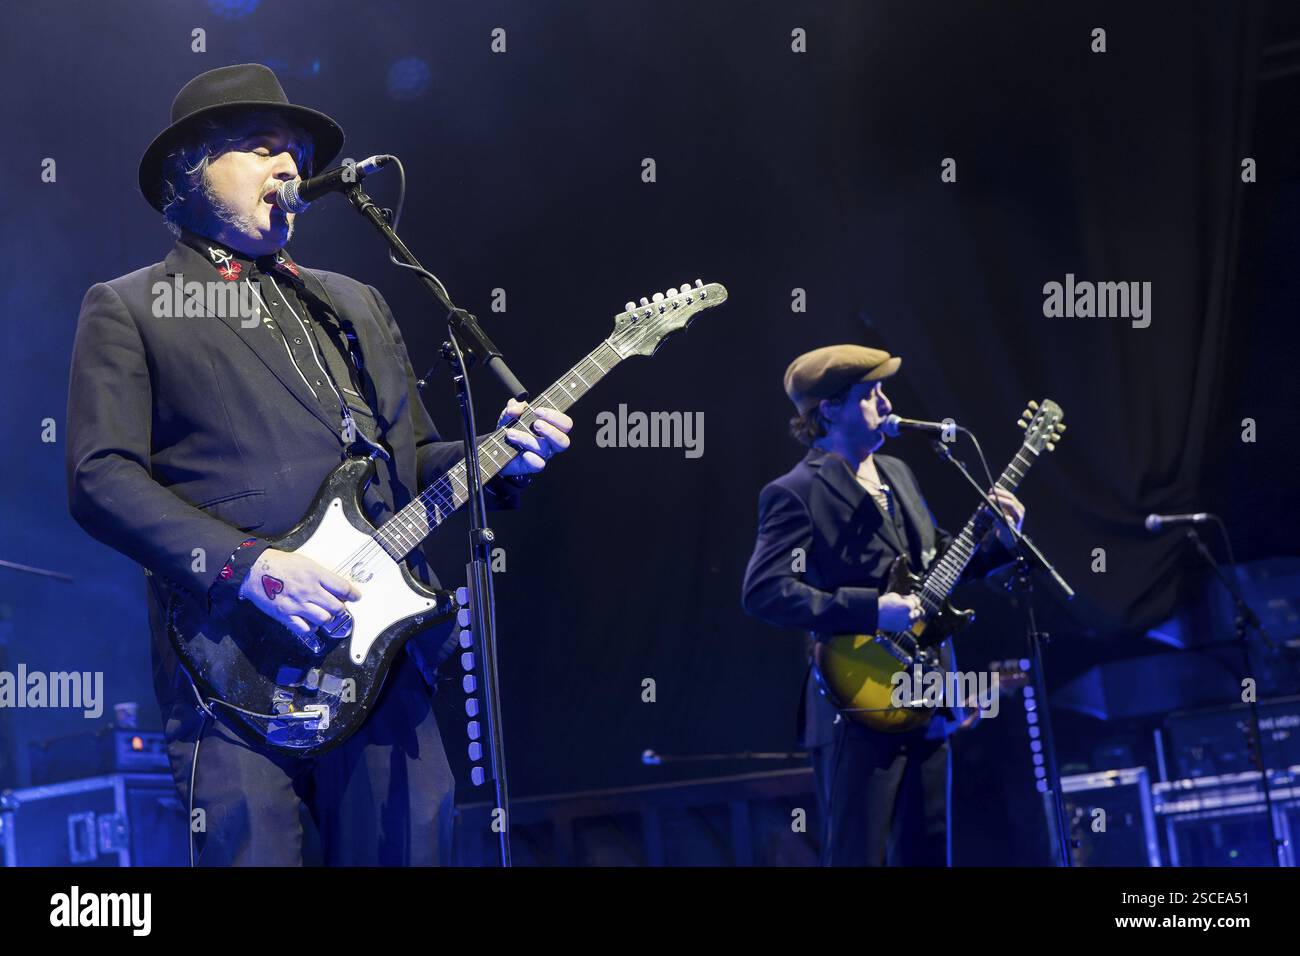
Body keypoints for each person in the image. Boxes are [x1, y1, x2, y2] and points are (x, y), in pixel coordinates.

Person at [65, 63, 573, 865]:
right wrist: (253, 567)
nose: (289, 167)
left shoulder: (355, 303)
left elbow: (412, 461)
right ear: (192, 174)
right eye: (261, 147)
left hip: (381, 662)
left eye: (296, 152)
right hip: (232, 675)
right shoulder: (131, 305)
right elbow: (100, 478)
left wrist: (498, 456)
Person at [741, 344, 1023, 865]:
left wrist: (1004, 538)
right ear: (828, 409)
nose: (888, 403)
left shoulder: (898, 473)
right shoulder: (795, 492)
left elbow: (941, 565)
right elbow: (764, 592)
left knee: (929, 849)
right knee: (858, 855)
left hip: (926, 692)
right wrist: (872, 610)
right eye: (871, 394)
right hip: (855, 699)